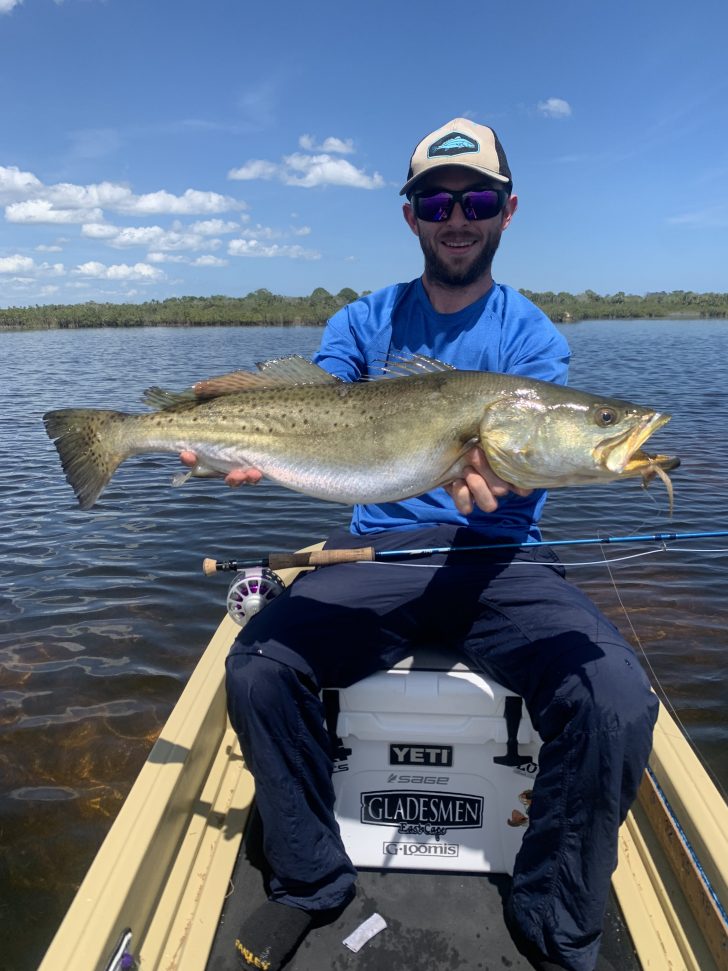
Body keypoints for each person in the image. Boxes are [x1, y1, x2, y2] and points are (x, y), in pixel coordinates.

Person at [182, 118, 657, 971]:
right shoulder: (366, 322)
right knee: (257, 669)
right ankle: (310, 881)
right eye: (437, 200)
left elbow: (532, 454)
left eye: (477, 198)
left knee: (614, 696)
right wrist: (248, 437)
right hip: (375, 553)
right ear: (411, 216)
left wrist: (511, 477)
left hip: (499, 558)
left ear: (508, 211)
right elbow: (313, 411)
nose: (457, 215)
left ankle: (555, 918)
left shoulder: (531, 340)